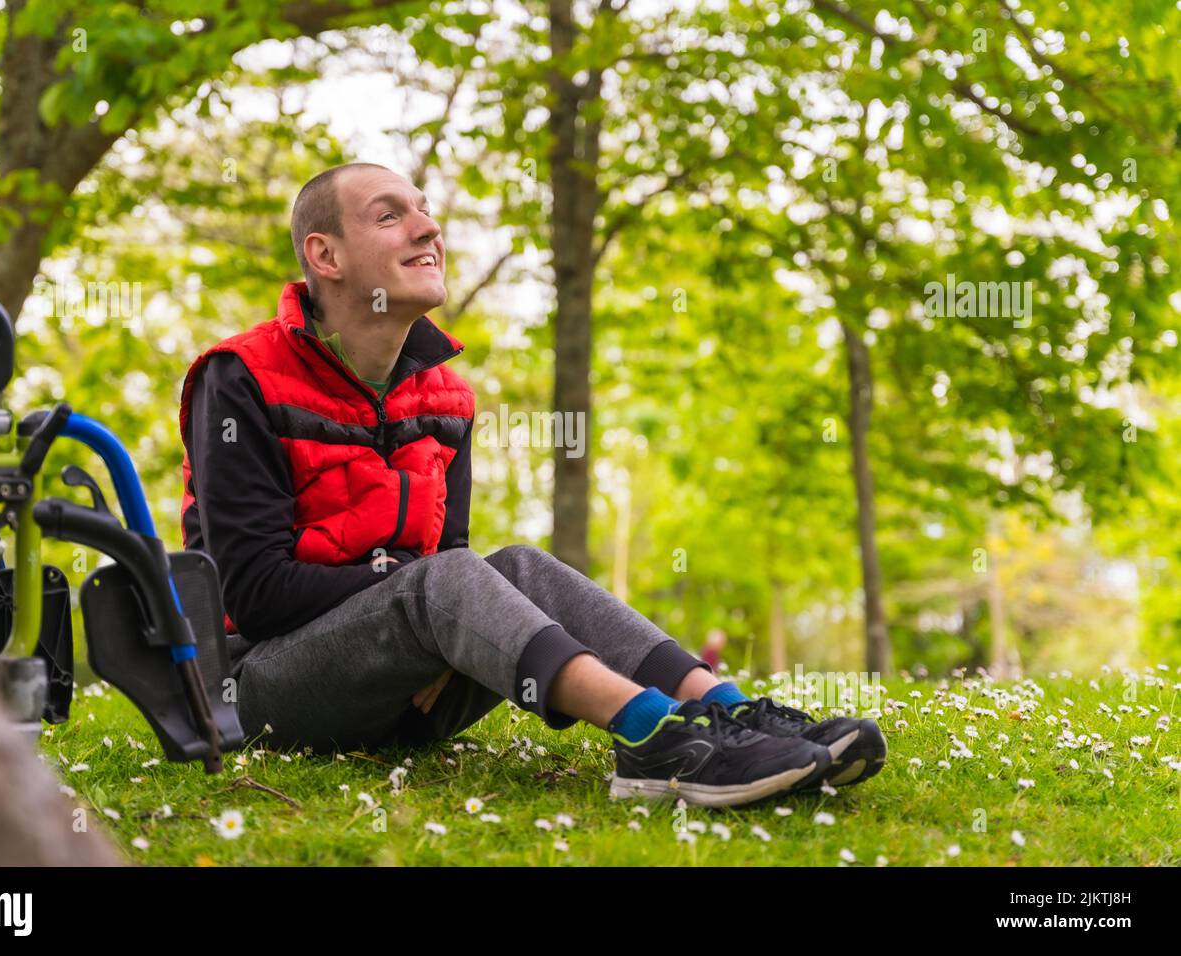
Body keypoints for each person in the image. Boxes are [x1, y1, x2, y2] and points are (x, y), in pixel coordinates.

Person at [177, 162, 886, 807]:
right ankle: (652, 737)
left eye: (426, 210)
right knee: (451, 579)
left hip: (403, 696)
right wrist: (419, 601)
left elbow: (447, 555)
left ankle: (726, 711)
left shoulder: (446, 398)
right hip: (259, 690)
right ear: (325, 255)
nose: (428, 228)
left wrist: (434, 623)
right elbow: (255, 594)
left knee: (518, 565)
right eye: (390, 215)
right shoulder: (239, 378)